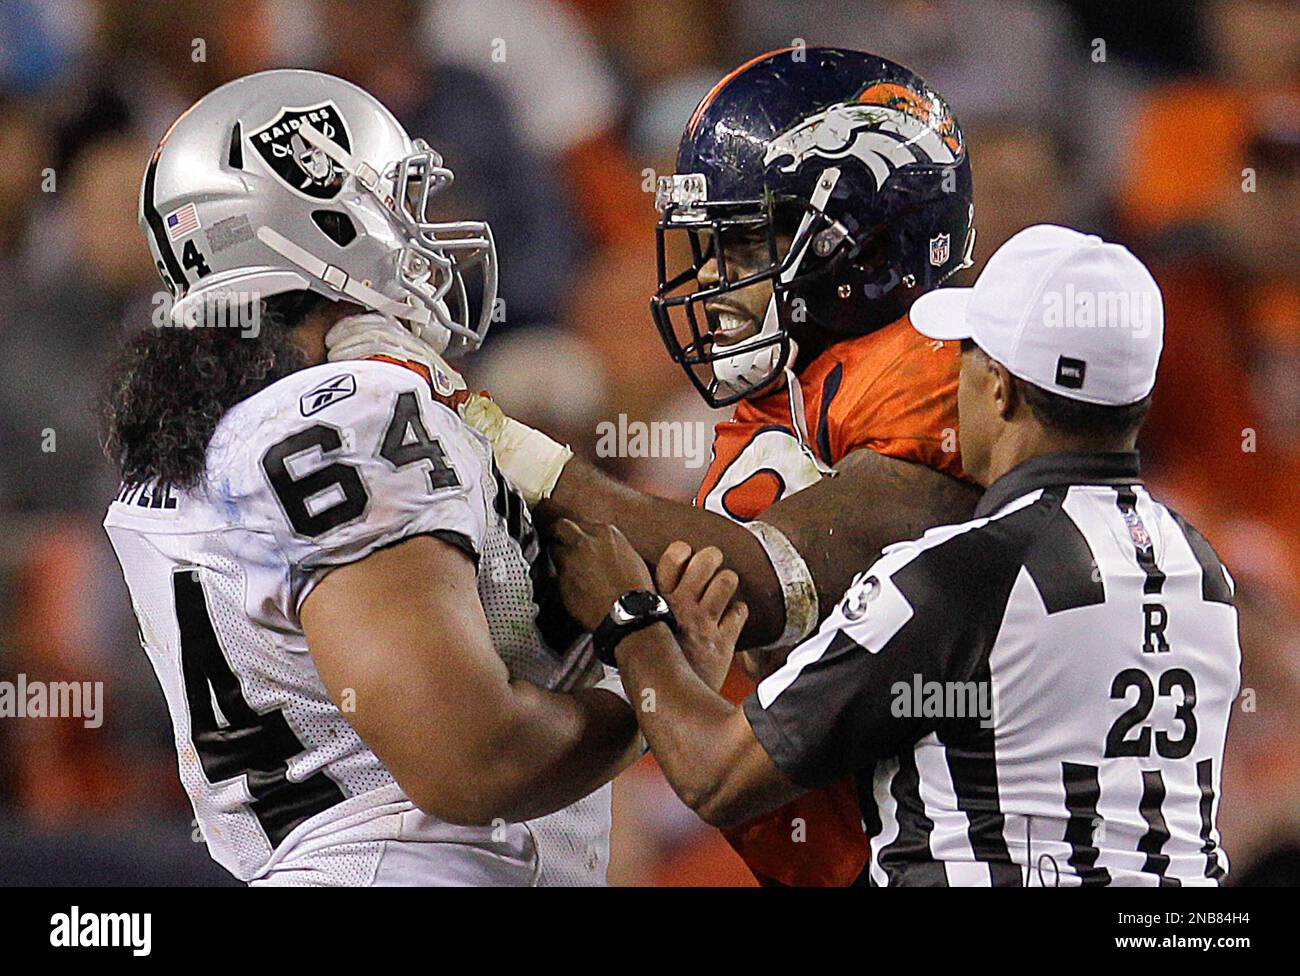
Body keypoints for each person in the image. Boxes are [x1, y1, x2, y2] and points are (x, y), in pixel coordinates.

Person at [332, 47, 981, 886]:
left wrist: (503, 444)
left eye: (742, 249)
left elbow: (769, 580)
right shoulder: (784, 407)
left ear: (860, 249)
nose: (709, 281)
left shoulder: (939, 366)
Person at [553, 224, 1240, 886]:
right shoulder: (1204, 570)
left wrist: (630, 624)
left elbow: (714, 774)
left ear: (997, 386)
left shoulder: (960, 577)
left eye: (963, 354)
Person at [101, 69, 643, 886]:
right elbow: (471, 759)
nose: (426, 229)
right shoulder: (344, 412)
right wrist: (654, 688)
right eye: (396, 198)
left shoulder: (210, 434)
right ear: (316, 217)